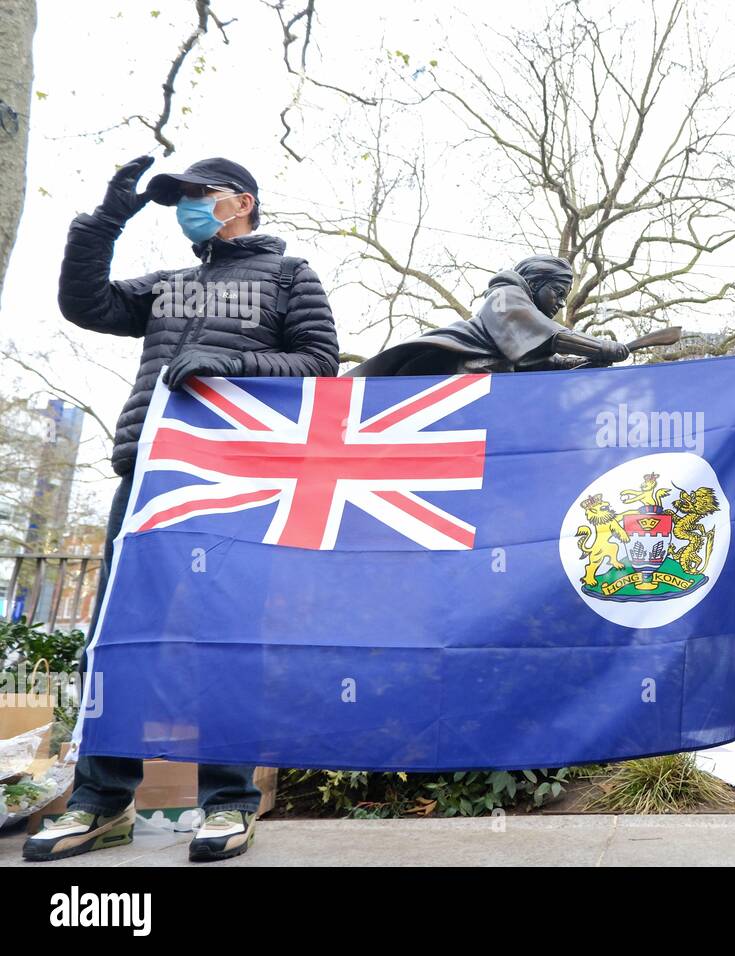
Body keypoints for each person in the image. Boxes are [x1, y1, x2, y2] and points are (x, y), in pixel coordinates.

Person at [24, 156, 339, 864]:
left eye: (201, 195)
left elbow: (321, 363)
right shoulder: (170, 287)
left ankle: (228, 802)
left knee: (223, 638)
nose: (188, 207)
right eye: (178, 199)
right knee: (120, 636)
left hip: (239, 479)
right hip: (149, 474)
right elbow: (87, 304)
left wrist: (234, 367)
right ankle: (99, 803)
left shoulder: (290, 277)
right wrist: (105, 220)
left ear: (242, 203)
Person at [347, 255, 629, 377]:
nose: (561, 303)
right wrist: (601, 347)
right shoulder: (506, 298)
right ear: (533, 284)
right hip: (459, 378)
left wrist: (583, 363)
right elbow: (551, 335)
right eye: (557, 292)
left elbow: (541, 361)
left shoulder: (522, 333)